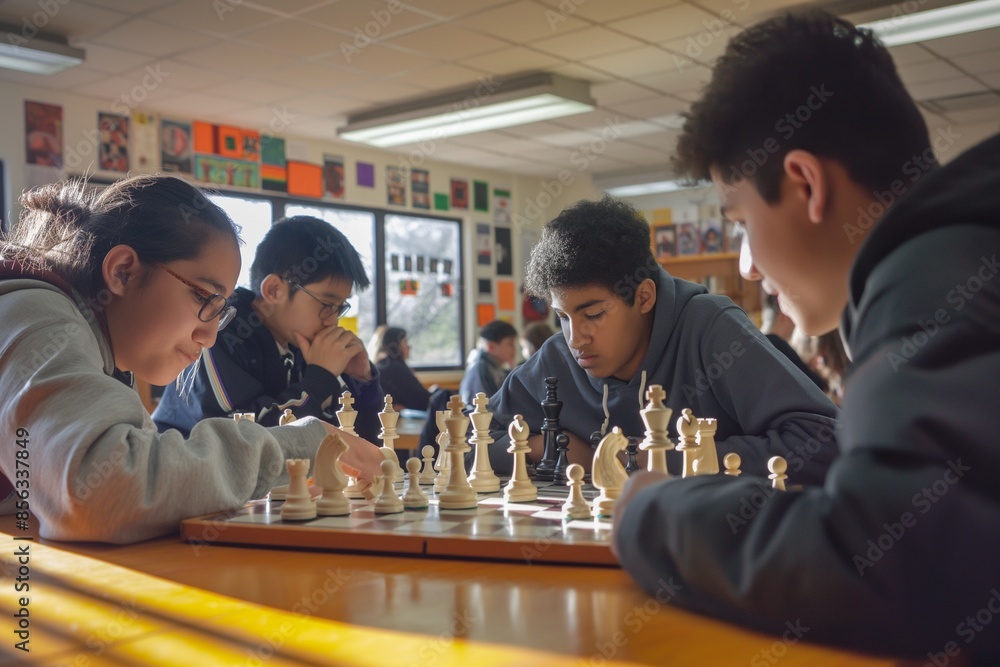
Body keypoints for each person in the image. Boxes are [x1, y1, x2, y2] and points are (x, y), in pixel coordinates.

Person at [613, 12, 1000, 663]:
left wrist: (651, 515)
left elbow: (894, 566)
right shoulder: (953, 258)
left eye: (739, 220)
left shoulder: (931, 285)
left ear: (805, 183)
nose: (745, 264)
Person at [0, 176, 382, 544]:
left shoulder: (105, 352)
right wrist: (307, 442)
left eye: (222, 310)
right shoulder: (35, 314)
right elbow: (96, 493)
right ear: (123, 272)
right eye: (203, 297)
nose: (211, 335)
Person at [488, 196, 839, 483]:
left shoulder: (711, 328)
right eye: (563, 317)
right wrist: (547, 447)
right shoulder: (557, 356)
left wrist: (654, 458)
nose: (576, 339)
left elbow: (826, 444)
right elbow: (463, 440)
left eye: (593, 315)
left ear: (643, 297)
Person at [154, 216, 383, 444]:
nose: (333, 321)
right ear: (274, 290)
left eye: (340, 307)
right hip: (186, 472)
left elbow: (356, 442)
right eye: (326, 305)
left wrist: (360, 379)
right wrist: (320, 378)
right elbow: (245, 440)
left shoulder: (305, 344)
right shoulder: (220, 331)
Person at [761, 293, 828, 392]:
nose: (795, 324)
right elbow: (816, 384)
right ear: (784, 315)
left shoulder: (761, 343)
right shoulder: (777, 344)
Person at [368, 325, 432, 411]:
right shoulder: (395, 367)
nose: (409, 346)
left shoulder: (382, 364)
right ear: (395, 346)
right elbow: (424, 400)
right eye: (405, 341)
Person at [459, 320, 517, 406]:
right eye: (510, 344)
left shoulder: (492, 367)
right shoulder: (481, 368)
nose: (514, 349)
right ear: (491, 347)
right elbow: (495, 406)